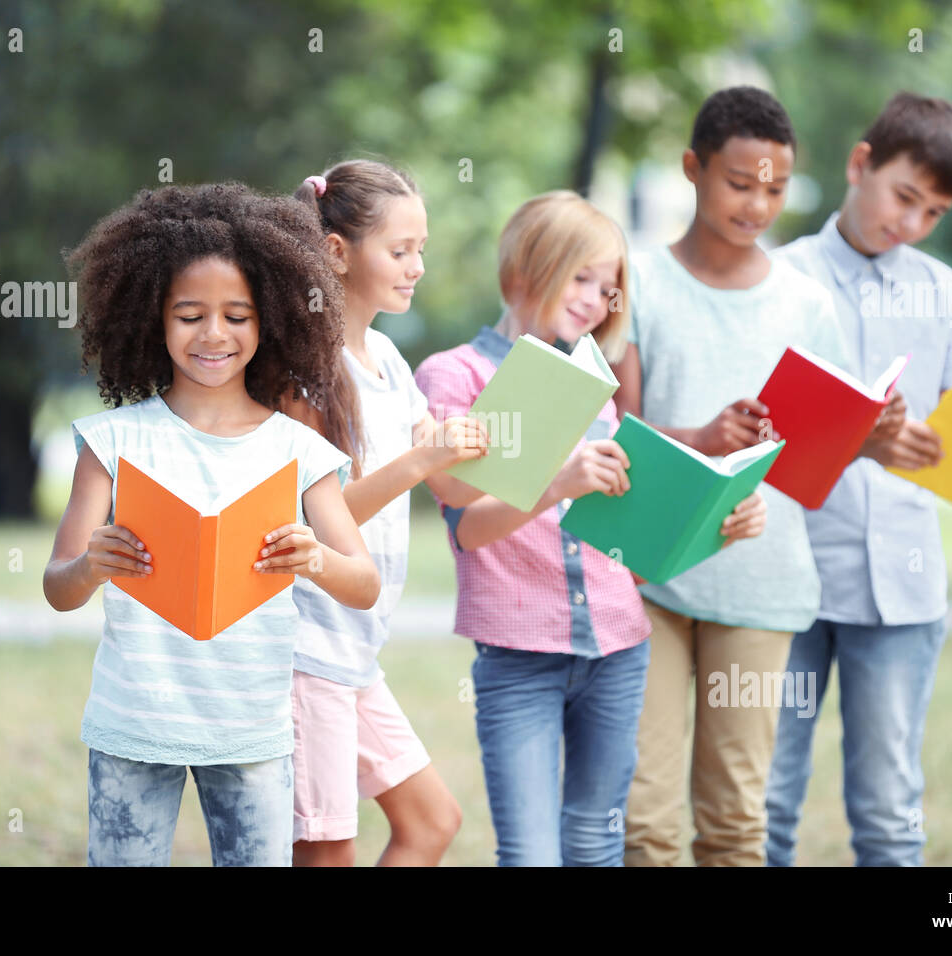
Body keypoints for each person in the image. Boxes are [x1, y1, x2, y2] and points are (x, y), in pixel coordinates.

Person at [415, 190, 769, 866]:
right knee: (531, 854)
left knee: (597, 843)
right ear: (526, 266)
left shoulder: (592, 386)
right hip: (519, 656)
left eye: (608, 289)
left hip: (617, 649)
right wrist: (561, 481)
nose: (596, 299)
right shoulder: (454, 376)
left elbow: (626, 548)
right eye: (582, 276)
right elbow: (466, 527)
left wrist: (717, 525)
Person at [43, 182, 380, 866]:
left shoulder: (299, 452)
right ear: (150, 319)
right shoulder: (110, 443)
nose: (214, 335)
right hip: (134, 723)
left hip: (252, 728)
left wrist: (313, 558)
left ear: (272, 321)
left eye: (238, 315)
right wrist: (91, 566)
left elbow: (364, 584)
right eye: (189, 315)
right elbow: (57, 586)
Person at [765, 92, 952, 867]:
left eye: (934, 213)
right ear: (860, 164)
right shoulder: (778, 279)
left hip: (901, 585)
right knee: (763, 807)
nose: (912, 224)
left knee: (890, 812)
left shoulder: (946, 293)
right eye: (904, 197)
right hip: (787, 579)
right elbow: (757, 431)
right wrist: (855, 435)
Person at [613, 86, 853, 866]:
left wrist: (859, 430)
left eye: (776, 189)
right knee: (644, 820)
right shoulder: (638, 284)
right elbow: (617, 433)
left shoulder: (808, 305)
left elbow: (818, 457)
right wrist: (706, 438)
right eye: (739, 183)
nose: (758, 204)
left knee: (735, 820)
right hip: (650, 578)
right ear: (692, 168)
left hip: (761, 583)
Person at [285, 159, 489, 866]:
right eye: (400, 251)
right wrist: (419, 462)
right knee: (326, 851)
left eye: (421, 251)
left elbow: (447, 478)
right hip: (306, 649)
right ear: (338, 253)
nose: (417, 267)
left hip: (354, 653)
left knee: (432, 822)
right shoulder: (308, 368)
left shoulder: (391, 362)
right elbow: (315, 517)